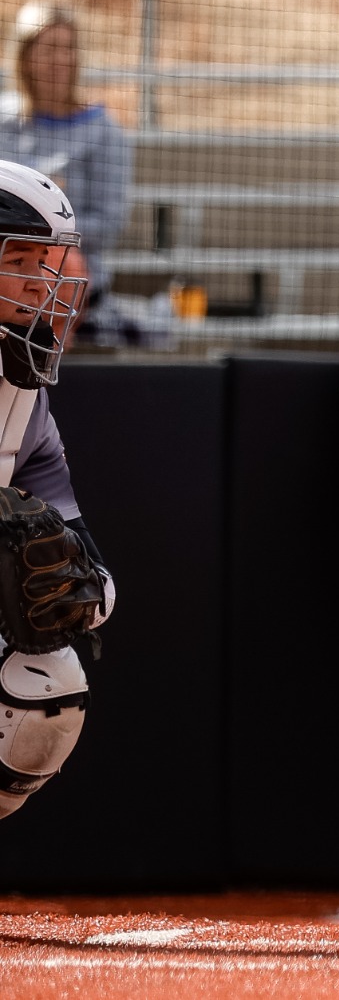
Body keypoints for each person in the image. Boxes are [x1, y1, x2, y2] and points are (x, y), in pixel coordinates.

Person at [0, 161, 114, 819]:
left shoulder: (23, 393)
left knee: (48, 682)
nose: (43, 282)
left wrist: (80, 595)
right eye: (22, 259)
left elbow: (93, 570)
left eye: (48, 261)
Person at [0, 5, 133, 292]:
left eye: (67, 48)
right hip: (4, 257)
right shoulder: (4, 120)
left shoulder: (103, 131)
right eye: (49, 49)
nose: (60, 59)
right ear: (25, 57)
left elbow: (107, 225)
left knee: (56, 267)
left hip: (67, 266)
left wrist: (40, 231)